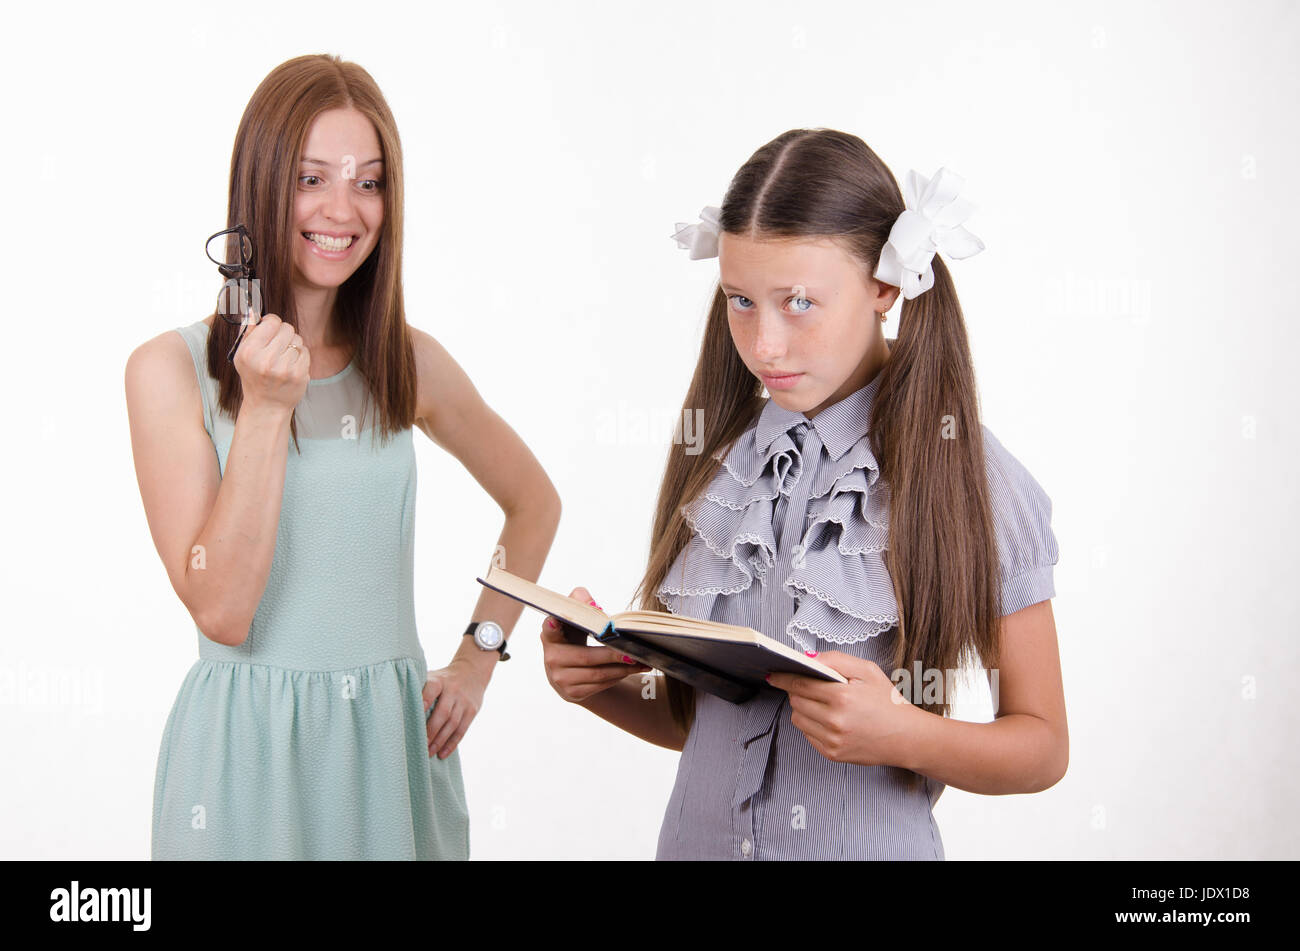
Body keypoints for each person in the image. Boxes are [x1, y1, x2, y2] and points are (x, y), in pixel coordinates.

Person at [539, 128, 1065, 860]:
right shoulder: (724, 462)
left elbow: (1041, 746)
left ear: (885, 287)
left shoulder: (966, 473)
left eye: (798, 303)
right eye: (741, 301)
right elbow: (706, 724)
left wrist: (901, 732)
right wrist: (598, 685)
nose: (764, 345)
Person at [125, 54, 560, 860]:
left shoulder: (408, 363)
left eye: (369, 181)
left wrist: (477, 659)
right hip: (244, 764)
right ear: (260, 182)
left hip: (387, 760)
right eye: (311, 177)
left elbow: (534, 502)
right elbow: (221, 610)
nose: (343, 209)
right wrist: (264, 410)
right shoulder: (168, 370)